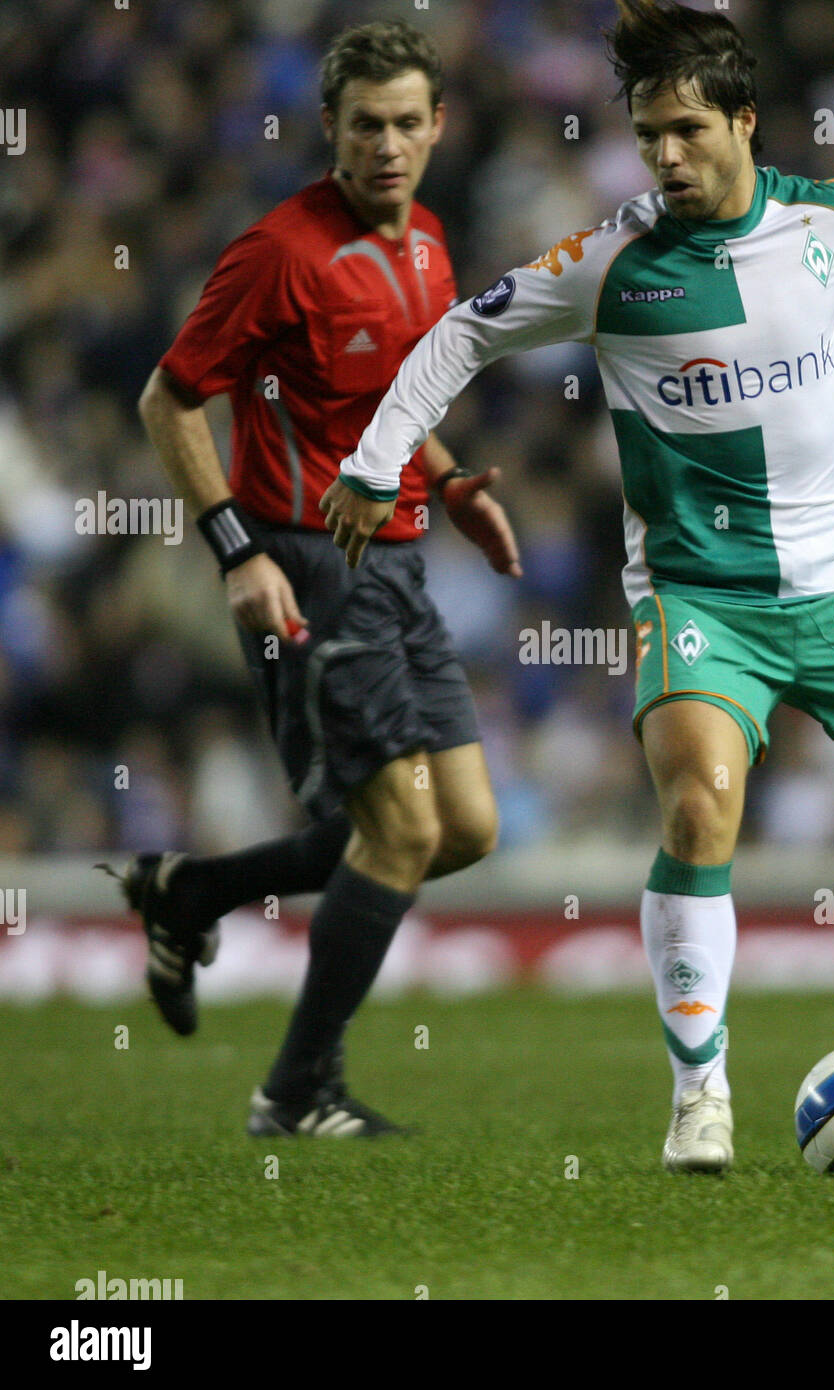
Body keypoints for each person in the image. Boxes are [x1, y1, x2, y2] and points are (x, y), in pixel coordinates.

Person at [322, 0, 834, 1171]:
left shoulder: (829, 220)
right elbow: (457, 336)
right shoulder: (609, 263)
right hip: (702, 602)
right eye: (647, 137)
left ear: (745, 122)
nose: (666, 158)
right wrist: (376, 463)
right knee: (699, 807)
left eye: (686, 130)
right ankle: (701, 1095)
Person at [129, 20, 519, 1137]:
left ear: (439, 125)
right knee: (394, 831)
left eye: (407, 123)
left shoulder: (433, 242)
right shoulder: (279, 253)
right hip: (307, 560)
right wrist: (235, 551)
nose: (387, 146)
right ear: (329, 129)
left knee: (466, 828)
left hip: (399, 557)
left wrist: (447, 484)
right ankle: (297, 1090)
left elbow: (390, 403)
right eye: (365, 125)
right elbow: (170, 397)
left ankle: (192, 891)